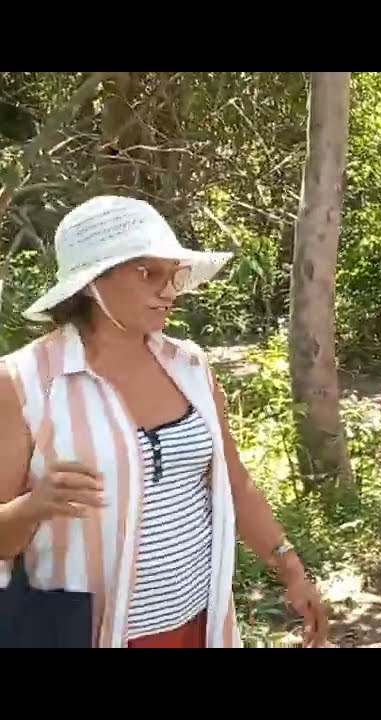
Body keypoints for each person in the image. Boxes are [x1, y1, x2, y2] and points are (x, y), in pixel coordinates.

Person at [0, 195, 328, 648]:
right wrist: (35, 504)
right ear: (92, 282)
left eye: (172, 274)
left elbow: (234, 481)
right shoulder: (26, 383)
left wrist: (291, 568)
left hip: (200, 624)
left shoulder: (189, 366)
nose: (169, 291)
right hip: (87, 632)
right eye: (147, 273)